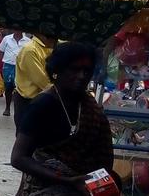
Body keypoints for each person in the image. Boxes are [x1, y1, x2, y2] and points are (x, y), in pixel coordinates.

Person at [11, 42, 114, 196]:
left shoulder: (89, 106)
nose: (81, 76)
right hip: (44, 188)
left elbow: (104, 156)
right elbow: (18, 158)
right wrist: (67, 180)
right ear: (57, 71)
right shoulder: (43, 105)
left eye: (87, 70)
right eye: (74, 69)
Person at [14, 34, 58, 126]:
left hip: (44, 99)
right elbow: (42, 81)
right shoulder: (30, 50)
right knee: (26, 135)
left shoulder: (51, 47)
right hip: (28, 101)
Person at [0, 29, 30, 116]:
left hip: (21, 67)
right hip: (8, 66)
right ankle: (7, 108)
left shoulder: (28, 41)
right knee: (8, 87)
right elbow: (0, 51)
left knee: (19, 88)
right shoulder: (7, 39)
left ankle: (18, 109)